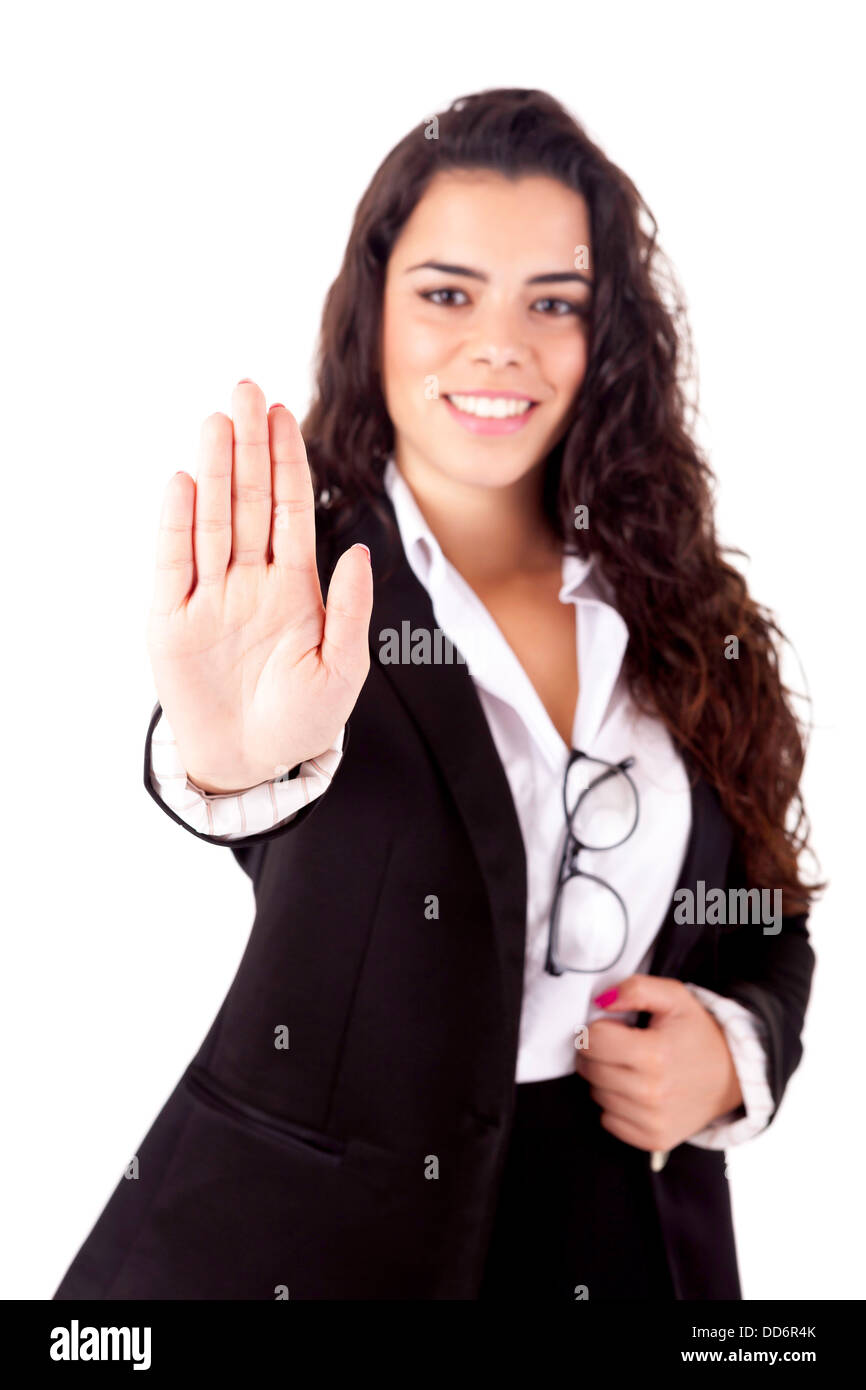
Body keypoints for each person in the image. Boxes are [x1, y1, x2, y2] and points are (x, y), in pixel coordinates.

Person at [54, 87, 818, 1302]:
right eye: (448, 292)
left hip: (625, 1237)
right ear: (374, 315)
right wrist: (228, 761)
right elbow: (231, 774)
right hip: (322, 1240)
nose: (498, 344)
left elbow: (765, 925)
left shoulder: (688, 613)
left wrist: (732, 1057)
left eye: (551, 302)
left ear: (602, 333)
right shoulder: (299, 581)